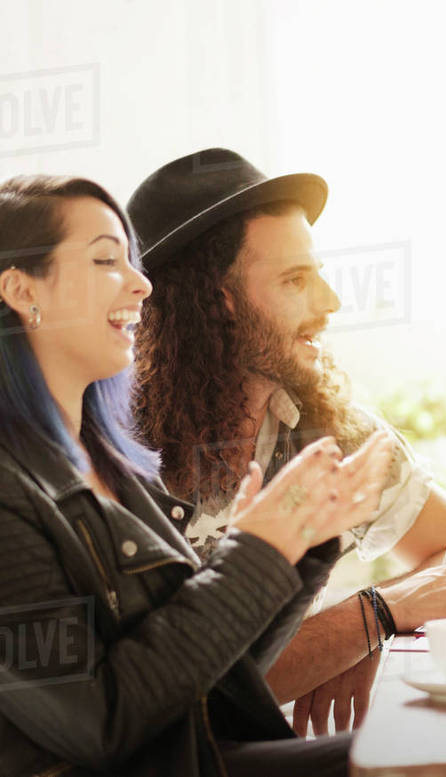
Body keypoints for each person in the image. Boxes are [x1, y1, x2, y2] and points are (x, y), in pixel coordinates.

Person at [0, 175, 391, 777]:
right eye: (106, 259)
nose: (142, 282)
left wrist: (300, 545)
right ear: (22, 289)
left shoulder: (115, 467)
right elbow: (98, 724)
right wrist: (257, 551)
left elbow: (215, 679)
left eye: (131, 260)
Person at [125, 149, 446, 735]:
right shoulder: (112, 452)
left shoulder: (328, 427)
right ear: (217, 300)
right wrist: (366, 621)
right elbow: (179, 696)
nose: (330, 303)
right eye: (295, 280)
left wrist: (364, 631)